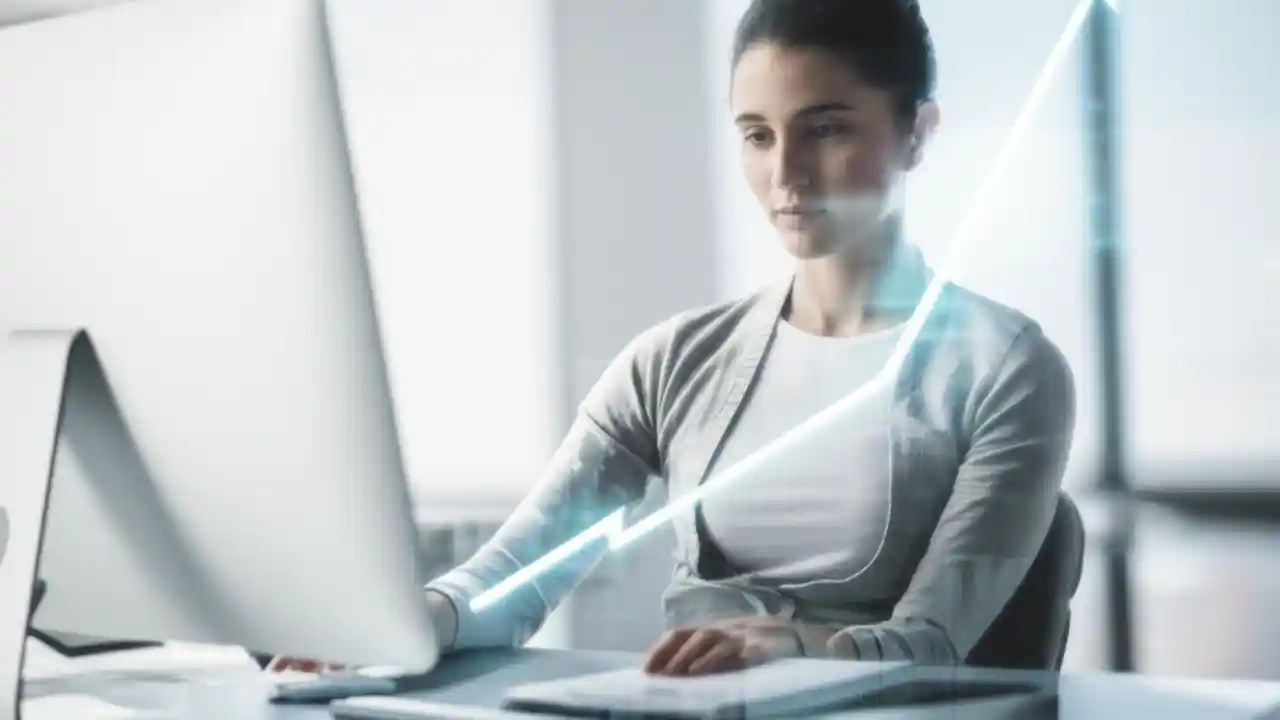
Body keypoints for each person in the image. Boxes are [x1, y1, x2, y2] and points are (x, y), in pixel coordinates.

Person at [274, 0, 1075, 677]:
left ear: (917, 134)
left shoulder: (1006, 369)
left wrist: (795, 646)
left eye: (825, 129)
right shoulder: (674, 363)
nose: (786, 174)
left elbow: (932, 647)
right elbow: (518, 577)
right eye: (757, 135)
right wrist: (399, 629)